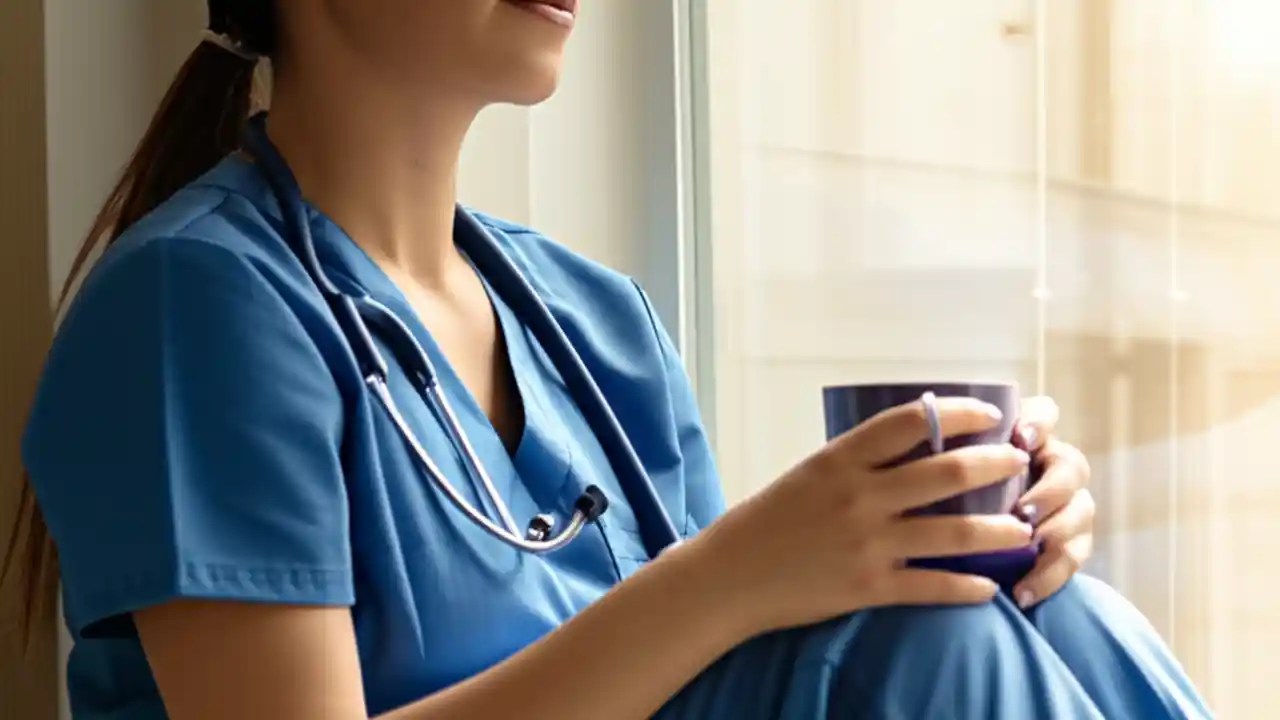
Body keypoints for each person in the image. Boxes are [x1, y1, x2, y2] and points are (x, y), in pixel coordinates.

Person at [4, 1, 1211, 718]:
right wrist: (745, 569)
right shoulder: (195, 303)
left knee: (1059, 614)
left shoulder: (593, 318)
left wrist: (952, 538)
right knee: (932, 645)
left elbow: (718, 671)